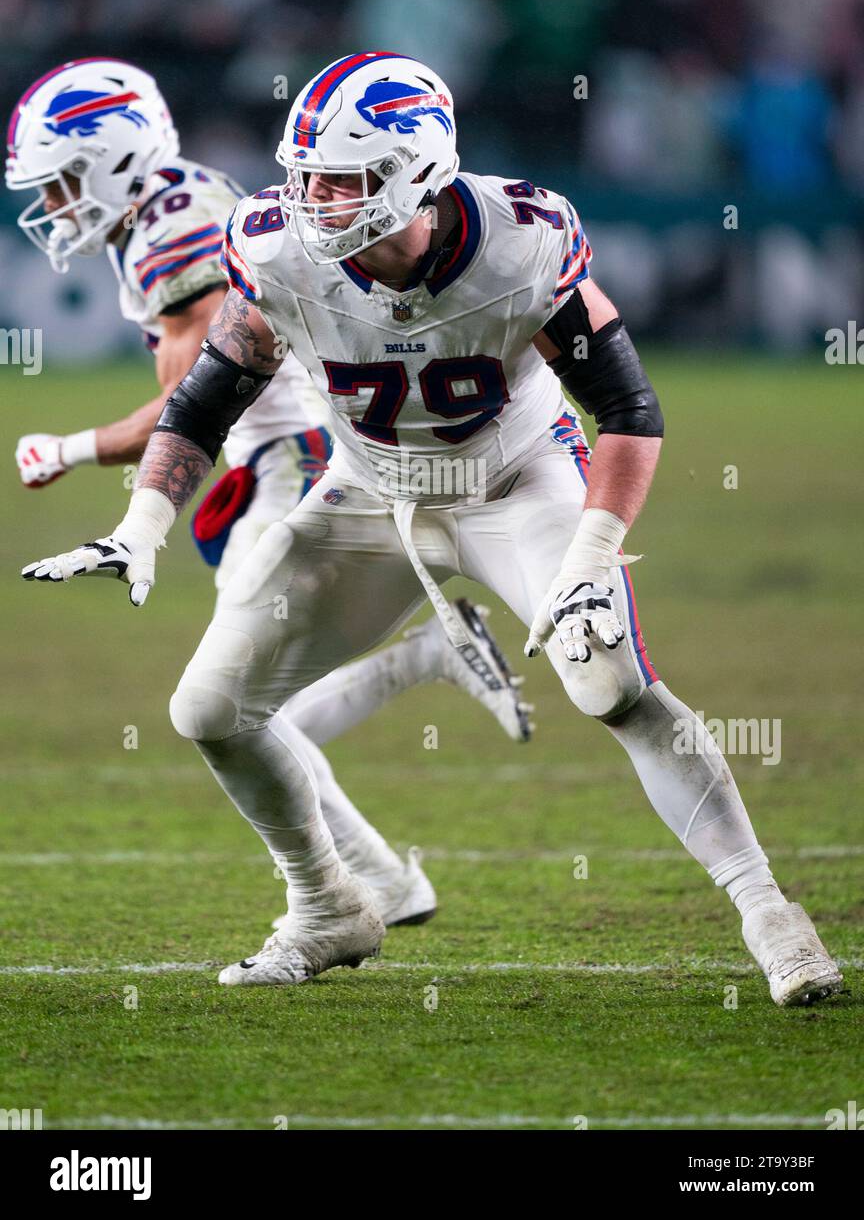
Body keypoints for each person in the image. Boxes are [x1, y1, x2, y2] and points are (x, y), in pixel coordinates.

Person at [23, 51, 843, 1005]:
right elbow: (206, 399)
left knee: (612, 686)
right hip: (370, 494)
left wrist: (590, 557)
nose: (315, 201)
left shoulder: (521, 239)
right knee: (207, 709)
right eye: (306, 177)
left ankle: (768, 913)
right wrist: (141, 525)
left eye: (342, 180)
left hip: (517, 482)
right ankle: (328, 904)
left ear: (415, 170)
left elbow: (626, 407)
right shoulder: (275, 247)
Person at [7, 56, 533, 936]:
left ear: (114, 160)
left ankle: (373, 870)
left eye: (63, 184)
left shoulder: (172, 232)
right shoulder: (170, 206)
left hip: (287, 453)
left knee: (243, 701)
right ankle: (389, 858)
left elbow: (188, 408)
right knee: (248, 701)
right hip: (280, 453)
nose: (55, 208)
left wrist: (68, 448)